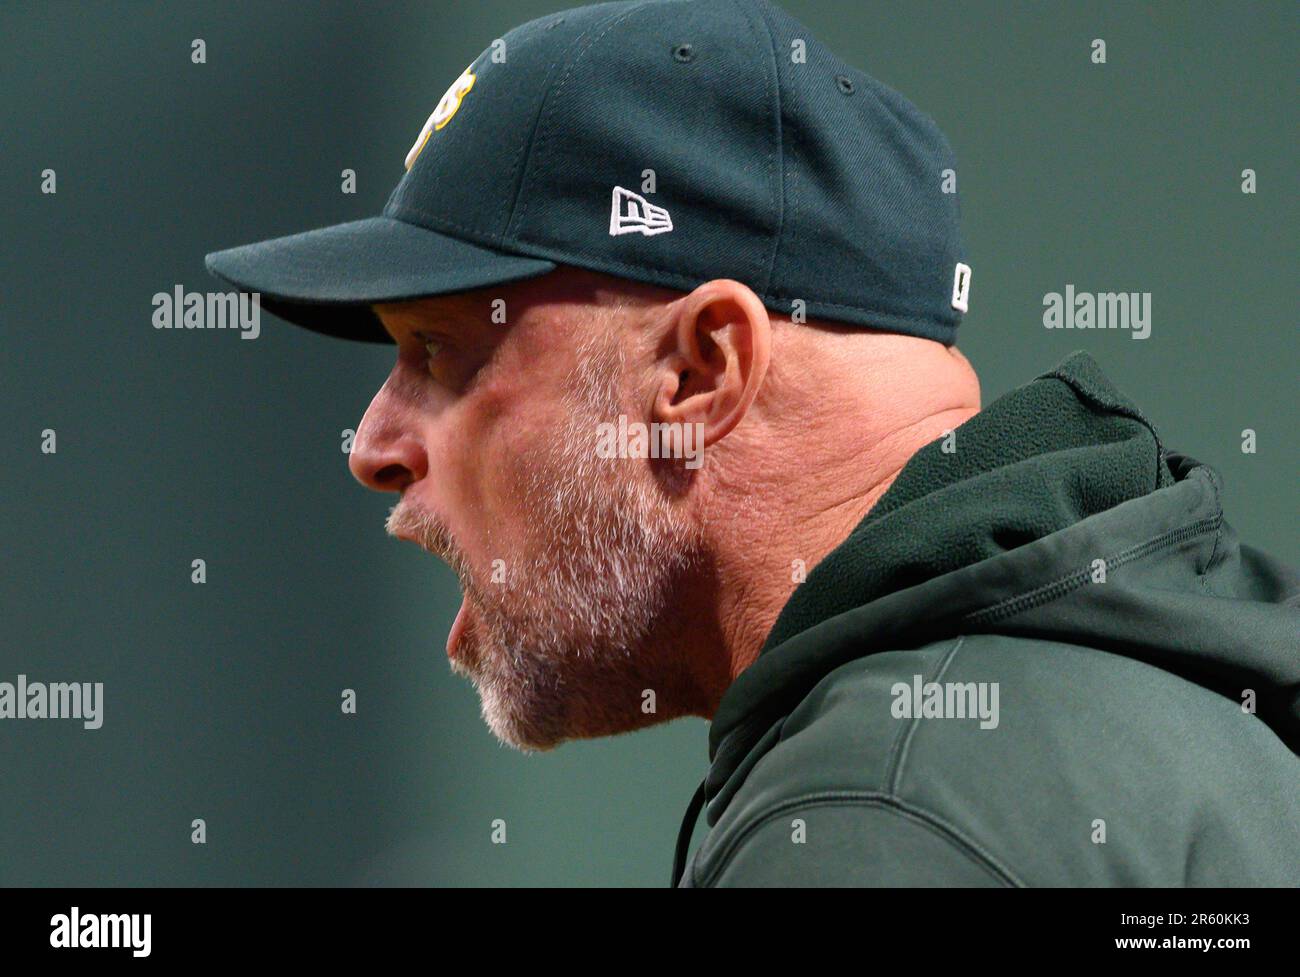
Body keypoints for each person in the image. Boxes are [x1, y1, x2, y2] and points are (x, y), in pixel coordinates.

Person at [206, 0, 1300, 886]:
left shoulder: (884, 816)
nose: (376, 444)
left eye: (439, 352)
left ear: (699, 371)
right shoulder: (1163, 696)